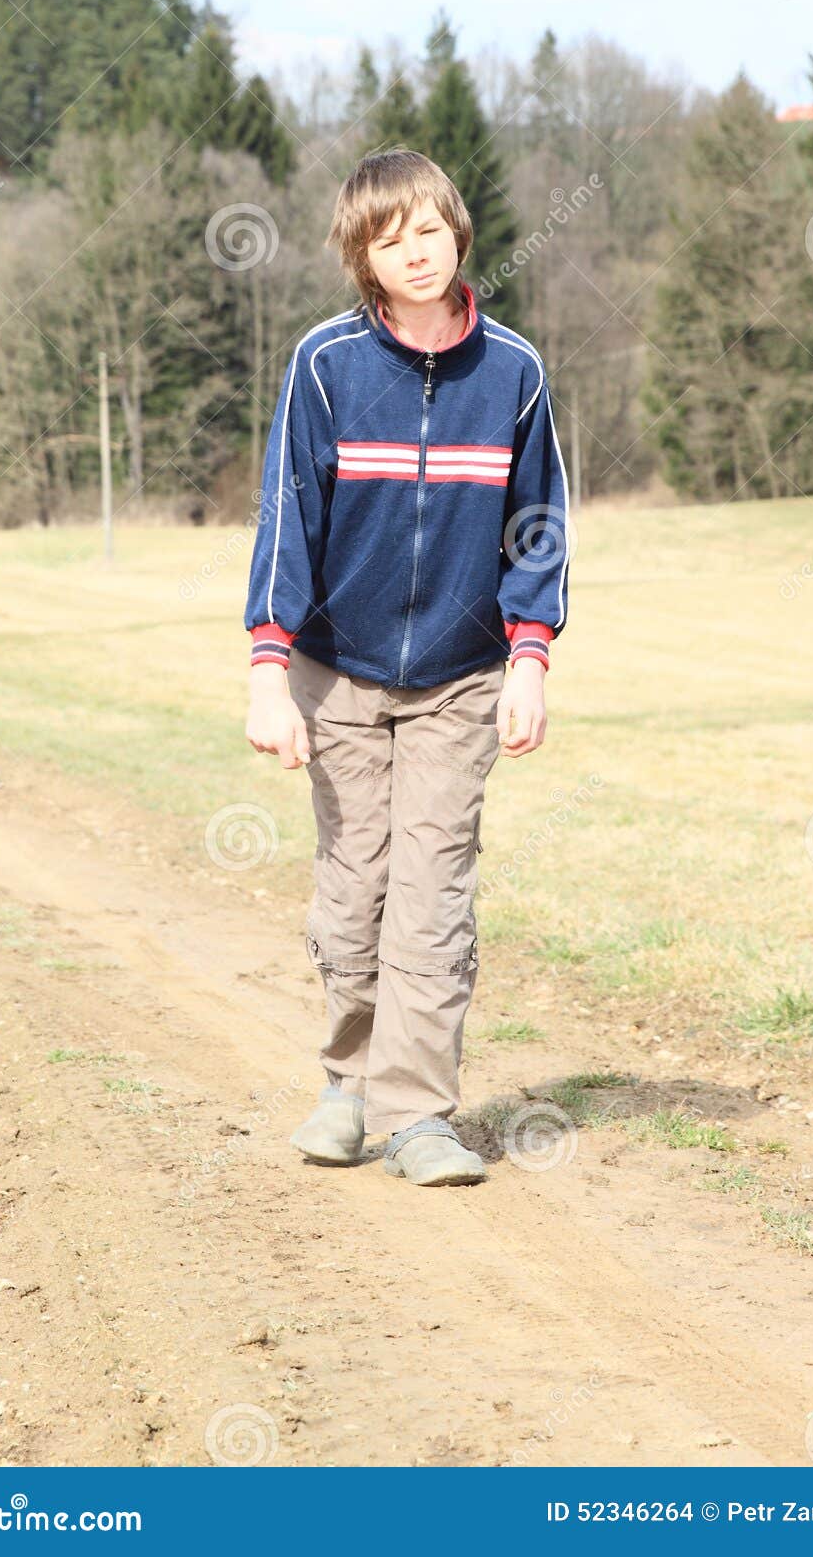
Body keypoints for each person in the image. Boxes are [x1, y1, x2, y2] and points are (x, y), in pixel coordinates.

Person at [244, 147, 569, 1186]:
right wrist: (266, 666)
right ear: (362, 257)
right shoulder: (325, 366)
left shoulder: (512, 371)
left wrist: (529, 659)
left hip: (462, 676)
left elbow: (538, 524)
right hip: (335, 673)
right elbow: (287, 522)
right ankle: (347, 1086)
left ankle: (422, 1114)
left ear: (456, 232)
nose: (414, 252)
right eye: (390, 239)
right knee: (356, 891)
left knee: (432, 894)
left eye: (428, 229)